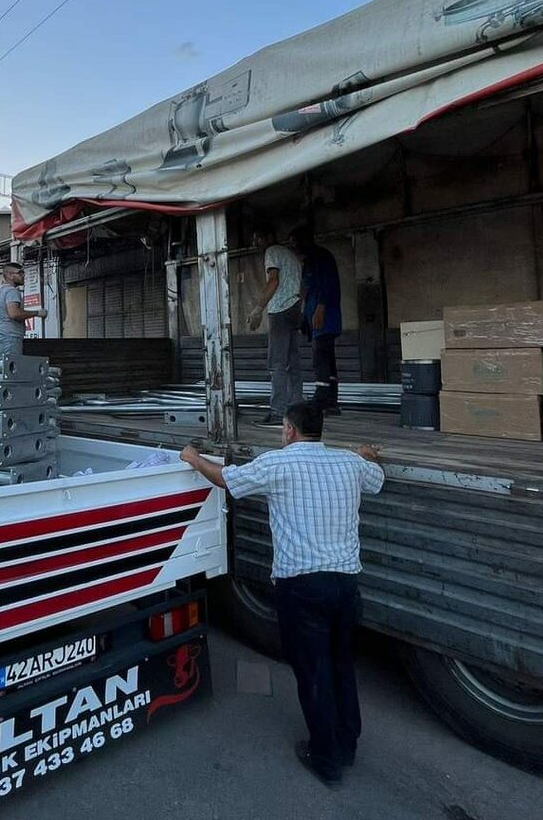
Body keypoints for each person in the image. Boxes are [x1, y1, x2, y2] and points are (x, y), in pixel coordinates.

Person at [180, 402, 383, 786]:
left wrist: (192, 457)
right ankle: (347, 745)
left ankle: (326, 759)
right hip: (344, 585)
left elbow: (226, 479)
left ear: (289, 431)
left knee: (314, 672)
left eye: (283, 429)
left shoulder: (279, 464)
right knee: (340, 665)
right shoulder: (349, 463)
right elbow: (376, 477)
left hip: (303, 587)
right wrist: (365, 455)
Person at [246, 223, 303, 425]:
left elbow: (273, 281)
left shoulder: (272, 252)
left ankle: (278, 412)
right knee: (292, 362)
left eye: (256, 239)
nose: (255, 243)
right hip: (295, 307)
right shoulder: (290, 255)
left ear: (266, 238)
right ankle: (297, 409)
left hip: (280, 310)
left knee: (277, 363)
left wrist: (258, 309)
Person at [291, 225, 342, 415]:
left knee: (321, 356)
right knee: (326, 357)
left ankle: (322, 398)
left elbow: (328, 284)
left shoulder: (322, 257)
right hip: (315, 315)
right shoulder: (309, 261)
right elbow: (306, 288)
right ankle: (330, 401)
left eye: (295, 242)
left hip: (325, 315)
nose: (294, 247)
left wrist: (320, 308)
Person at [0, 262, 48, 357]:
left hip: (1, 338)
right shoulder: (11, 291)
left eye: (23, 273)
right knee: (13, 370)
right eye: (20, 273)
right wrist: (37, 313)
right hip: (9, 339)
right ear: (10, 275)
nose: (23, 276)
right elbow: (14, 314)